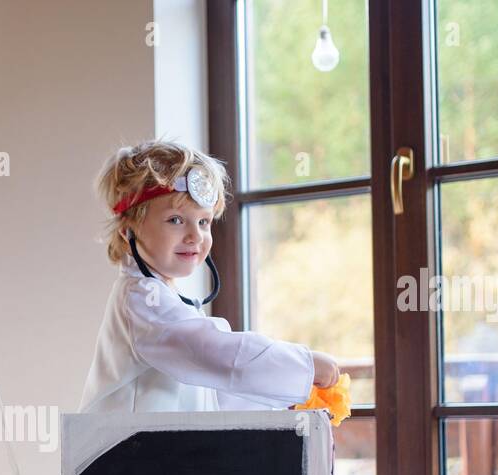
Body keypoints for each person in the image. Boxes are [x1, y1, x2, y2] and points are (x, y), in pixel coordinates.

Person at [79, 140, 339, 414]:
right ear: (128, 231)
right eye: (176, 220)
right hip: (121, 453)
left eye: (203, 222)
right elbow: (215, 353)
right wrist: (302, 366)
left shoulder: (164, 299)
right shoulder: (141, 300)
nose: (195, 236)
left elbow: (214, 391)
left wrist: (286, 396)